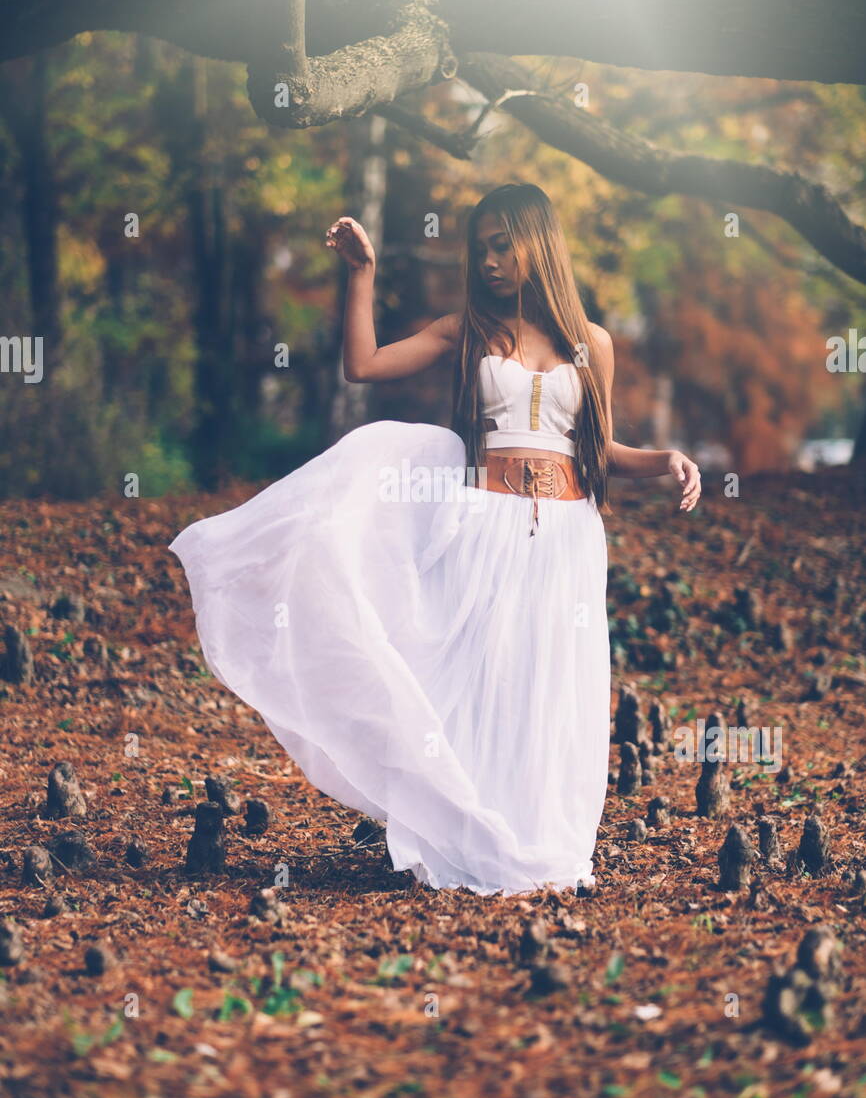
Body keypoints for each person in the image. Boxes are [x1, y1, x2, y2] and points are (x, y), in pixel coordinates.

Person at [169, 182, 701, 896]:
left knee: (548, 688)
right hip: (485, 525)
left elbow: (597, 453)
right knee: (478, 681)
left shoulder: (592, 343)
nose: (487, 260)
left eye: (501, 244)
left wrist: (664, 462)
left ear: (538, 243)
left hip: (569, 538)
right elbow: (363, 364)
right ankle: (470, 835)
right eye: (479, 247)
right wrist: (361, 276)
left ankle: (542, 844)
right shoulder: (468, 330)